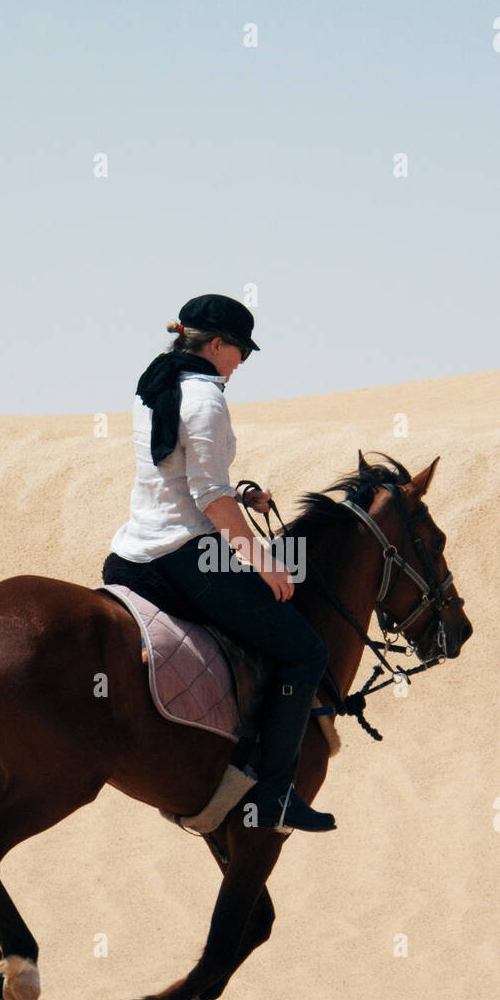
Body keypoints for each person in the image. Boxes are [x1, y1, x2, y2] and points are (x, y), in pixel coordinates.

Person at [103, 293, 336, 833]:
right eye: (241, 352)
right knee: (305, 652)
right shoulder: (205, 398)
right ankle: (276, 795)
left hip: (132, 554)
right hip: (184, 557)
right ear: (214, 345)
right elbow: (207, 497)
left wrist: (239, 495)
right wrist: (262, 561)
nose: (240, 364)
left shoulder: (155, 382)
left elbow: (180, 473)